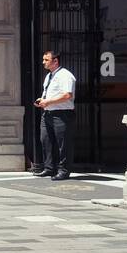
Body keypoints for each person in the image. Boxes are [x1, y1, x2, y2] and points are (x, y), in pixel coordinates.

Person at [34, 49, 76, 181]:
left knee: (63, 144)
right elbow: (49, 93)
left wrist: (48, 101)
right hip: (47, 113)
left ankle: (64, 170)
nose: (43, 62)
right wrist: (42, 100)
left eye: (46, 60)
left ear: (55, 61)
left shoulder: (65, 75)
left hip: (62, 114)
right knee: (45, 140)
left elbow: (68, 95)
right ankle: (49, 168)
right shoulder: (49, 76)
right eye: (43, 59)